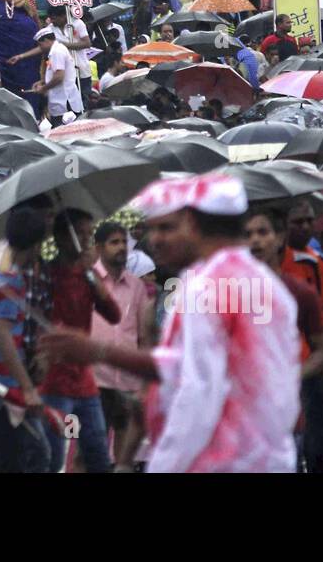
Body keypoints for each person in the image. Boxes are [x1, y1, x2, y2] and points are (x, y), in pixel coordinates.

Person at [39, 173, 301, 472]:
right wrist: (99, 352)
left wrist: (165, 464)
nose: (154, 241)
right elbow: (184, 365)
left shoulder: (213, 285)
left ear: (192, 224)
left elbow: (196, 391)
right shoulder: (246, 278)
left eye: (165, 228)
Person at [246, 208, 323, 472]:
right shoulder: (225, 291)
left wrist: (292, 374)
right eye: (247, 234)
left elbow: (322, 351)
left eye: (262, 232)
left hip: (284, 416)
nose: (255, 241)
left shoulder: (300, 293)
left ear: (280, 237)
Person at [0, 207, 52, 473]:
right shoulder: (10, 278)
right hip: (0, 389)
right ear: (37, 244)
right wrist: (28, 388)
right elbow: (2, 334)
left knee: (3, 461)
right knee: (34, 454)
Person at [38, 208, 120, 473]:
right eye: (79, 234)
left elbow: (114, 315)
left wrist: (92, 279)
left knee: (98, 454)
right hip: (53, 380)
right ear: (61, 238)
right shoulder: (47, 275)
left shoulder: (89, 276)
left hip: (84, 380)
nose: (86, 240)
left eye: (89, 234)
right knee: (51, 457)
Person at [282, 199, 323, 473]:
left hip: (315, 370)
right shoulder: (266, 266)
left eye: (309, 220)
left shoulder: (320, 265)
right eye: (298, 221)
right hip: (279, 371)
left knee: (322, 448)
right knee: (288, 451)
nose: (306, 226)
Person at [91, 220, 150, 472]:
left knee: (124, 456)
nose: (121, 247)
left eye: (124, 242)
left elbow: (144, 336)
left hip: (127, 380)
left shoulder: (136, 286)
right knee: (90, 450)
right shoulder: (87, 281)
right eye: (114, 242)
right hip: (94, 379)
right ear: (98, 248)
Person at [30, 25, 82, 126]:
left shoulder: (57, 52)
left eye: (40, 45)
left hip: (65, 104)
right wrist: (42, 82)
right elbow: (56, 74)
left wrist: (44, 88)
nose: (40, 49)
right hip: (60, 103)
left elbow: (59, 77)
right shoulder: (55, 51)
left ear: (46, 40)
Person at [47, 5, 94, 107]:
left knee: (83, 102)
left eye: (54, 18)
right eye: (51, 19)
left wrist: (62, 45)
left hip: (81, 70)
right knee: (67, 104)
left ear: (63, 16)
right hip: (64, 73)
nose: (52, 21)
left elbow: (87, 43)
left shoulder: (77, 23)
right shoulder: (50, 29)